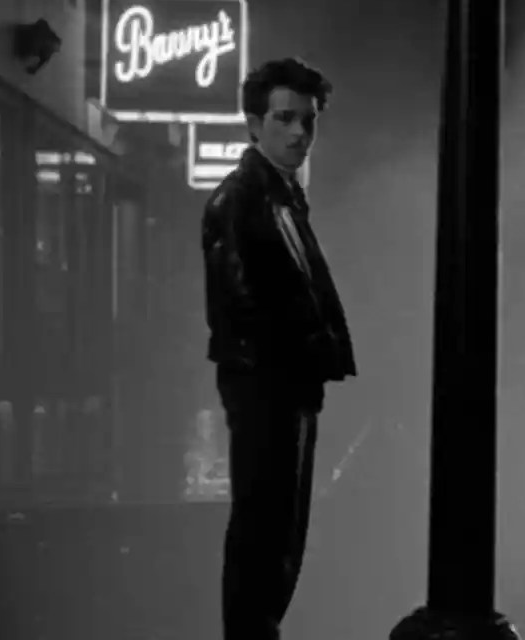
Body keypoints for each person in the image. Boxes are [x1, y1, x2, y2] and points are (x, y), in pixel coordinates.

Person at [202, 57, 356, 640]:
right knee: (266, 531)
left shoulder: (277, 196)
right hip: (267, 383)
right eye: (285, 119)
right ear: (253, 123)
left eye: (308, 121)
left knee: (278, 531)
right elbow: (243, 303)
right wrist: (301, 354)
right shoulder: (246, 200)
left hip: (282, 382)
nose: (298, 133)